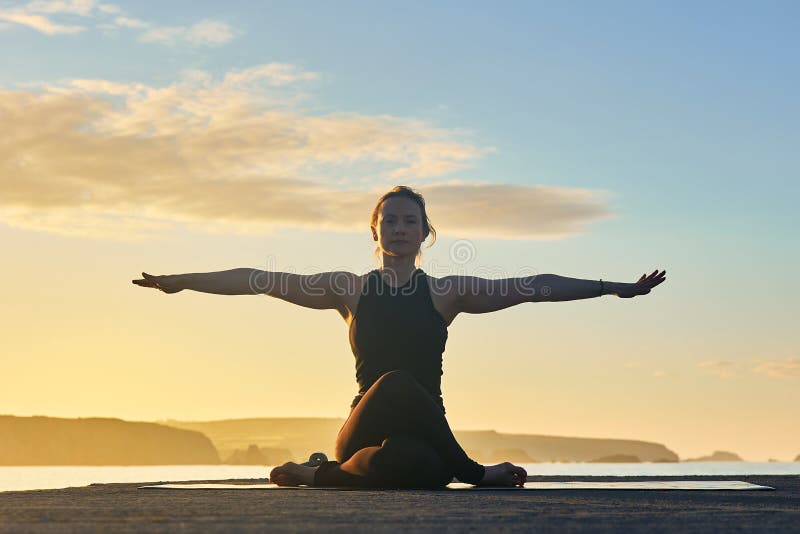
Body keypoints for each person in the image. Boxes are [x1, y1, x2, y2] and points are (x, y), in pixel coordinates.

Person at [133, 185, 666, 489]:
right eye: (390, 221)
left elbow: (532, 288)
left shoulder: (446, 292)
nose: (400, 229)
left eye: (410, 221)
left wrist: (612, 288)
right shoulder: (349, 290)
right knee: (394, 382)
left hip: (423, 436)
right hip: (361, 425)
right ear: (376, 231)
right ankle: (476, 473)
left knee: (413, 470)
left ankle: (322, 476)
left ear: (425, 232)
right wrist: (182, 282)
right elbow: (260, 281)